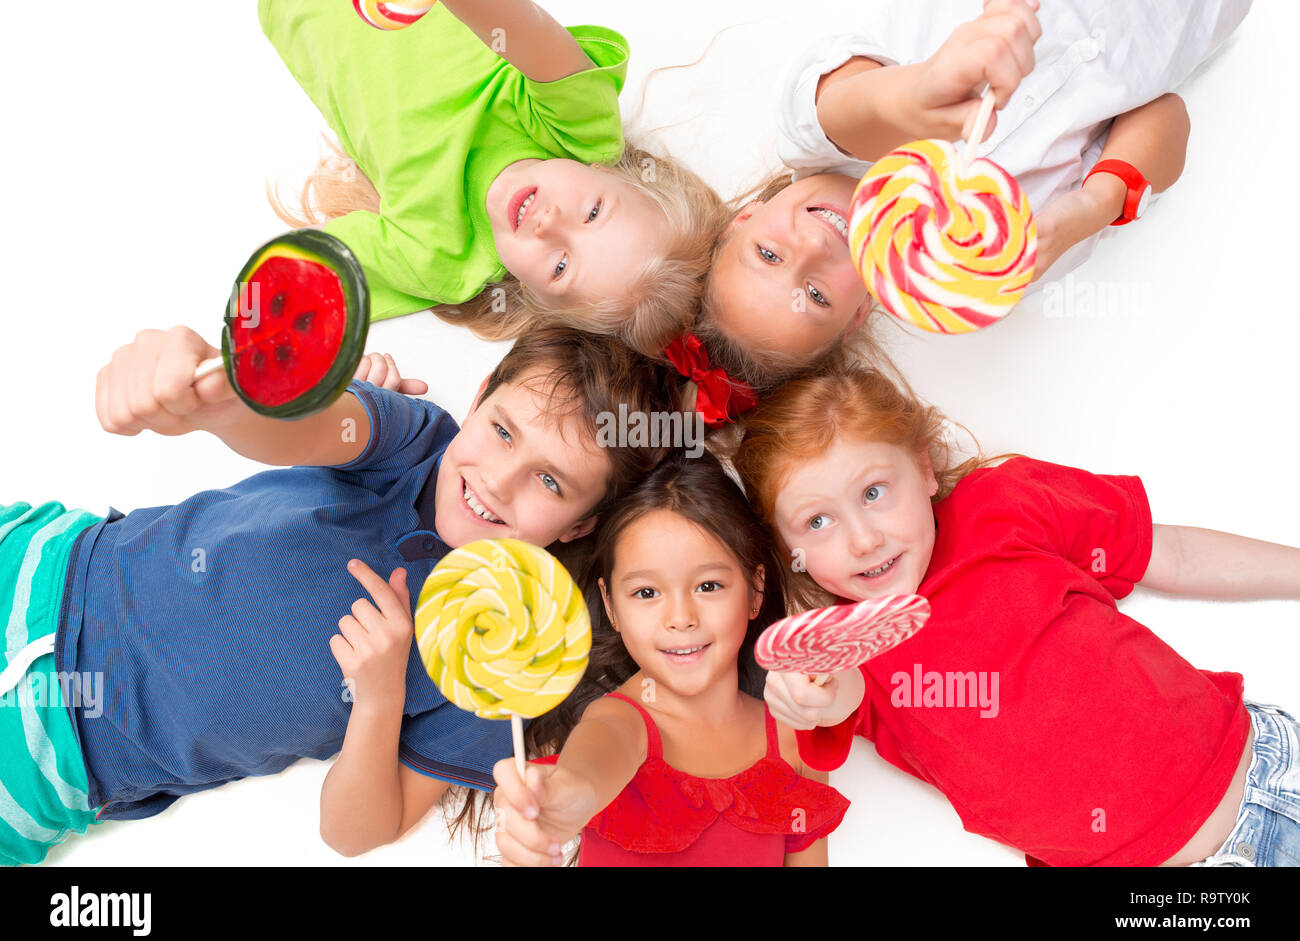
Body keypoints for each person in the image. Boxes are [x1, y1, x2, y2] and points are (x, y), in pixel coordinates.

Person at [0, 326, 677, 865]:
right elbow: (300, 424)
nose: (499, 481)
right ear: (478, 399)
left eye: (550, 482)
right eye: (502, 431)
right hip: (44, 562)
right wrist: (219, 404)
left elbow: (352, 833)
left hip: (65, 751)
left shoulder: (502, 662)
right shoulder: (414, 441)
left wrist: (379, 697)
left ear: (581, 524)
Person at [732, 359, 1300, 866]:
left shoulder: (1000, 506)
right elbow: (838, 696)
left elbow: (1167, 551)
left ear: (925, 470)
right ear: (791, 554)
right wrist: (809, 687)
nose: (863, 539)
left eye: (875, 492)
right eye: (818, 522)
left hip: (1265, 780)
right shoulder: (851, 655)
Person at [697, 0, 1251, 385]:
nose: (812, 250)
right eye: (817, 296)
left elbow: (861, 101)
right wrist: (1092, 208)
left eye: (768, 255)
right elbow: (1165, 115)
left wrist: (920, 91)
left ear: (744, 217)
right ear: (860, 313)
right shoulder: (986, 264)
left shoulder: (814, 128)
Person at [260, 0, 729, 355]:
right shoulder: (574, 132)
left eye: (560, 266)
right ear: (612, 172)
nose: (548, 224)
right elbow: (519, 24)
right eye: (593, 212)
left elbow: (310, 281)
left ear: (533, 293)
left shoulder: (440, 259)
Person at [491, 450, 848, 866]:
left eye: (709, 586)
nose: (681, 618)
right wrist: (561, 798)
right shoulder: (621, 722)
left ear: (754, 590)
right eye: (646, 593)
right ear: (611, 606)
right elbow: (592, 766)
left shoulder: (793, 740)